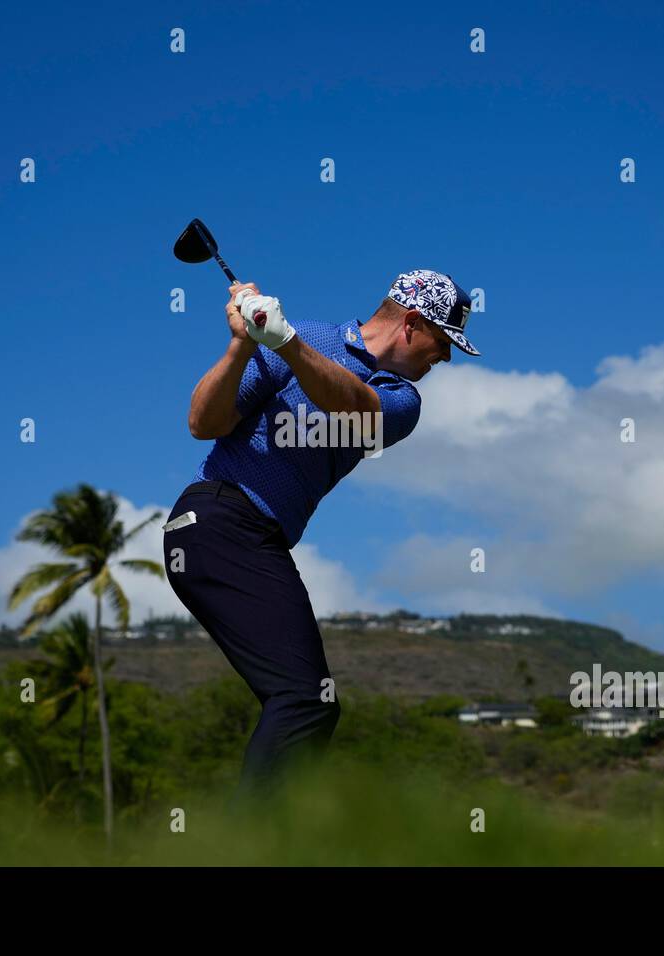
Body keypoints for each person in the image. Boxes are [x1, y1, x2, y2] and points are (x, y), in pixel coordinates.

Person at [162, 269, 480, 804]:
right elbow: (202, 422)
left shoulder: (399, 399)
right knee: (305, 700)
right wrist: (242, 344)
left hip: (251, 538)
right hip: (216, 521)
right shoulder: (299, 337)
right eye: (444, 341)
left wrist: (284, 343)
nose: (445, 357)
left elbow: (354, 410)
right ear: (411, 323)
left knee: (309, 701)